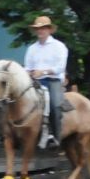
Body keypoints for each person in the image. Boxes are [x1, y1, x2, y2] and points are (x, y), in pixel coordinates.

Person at [24, 15, 68, 149]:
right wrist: (29, 73)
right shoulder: (32, 48)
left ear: (49, 30)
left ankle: (56, 136)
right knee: (18, 99)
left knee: (54, 105)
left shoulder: (59, 46)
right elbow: (27, 67)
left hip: (52, 80)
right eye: (38, 29)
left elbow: (60, 67)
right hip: (36, 81)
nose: (40, 31)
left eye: (43, 28)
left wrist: (43, 72)